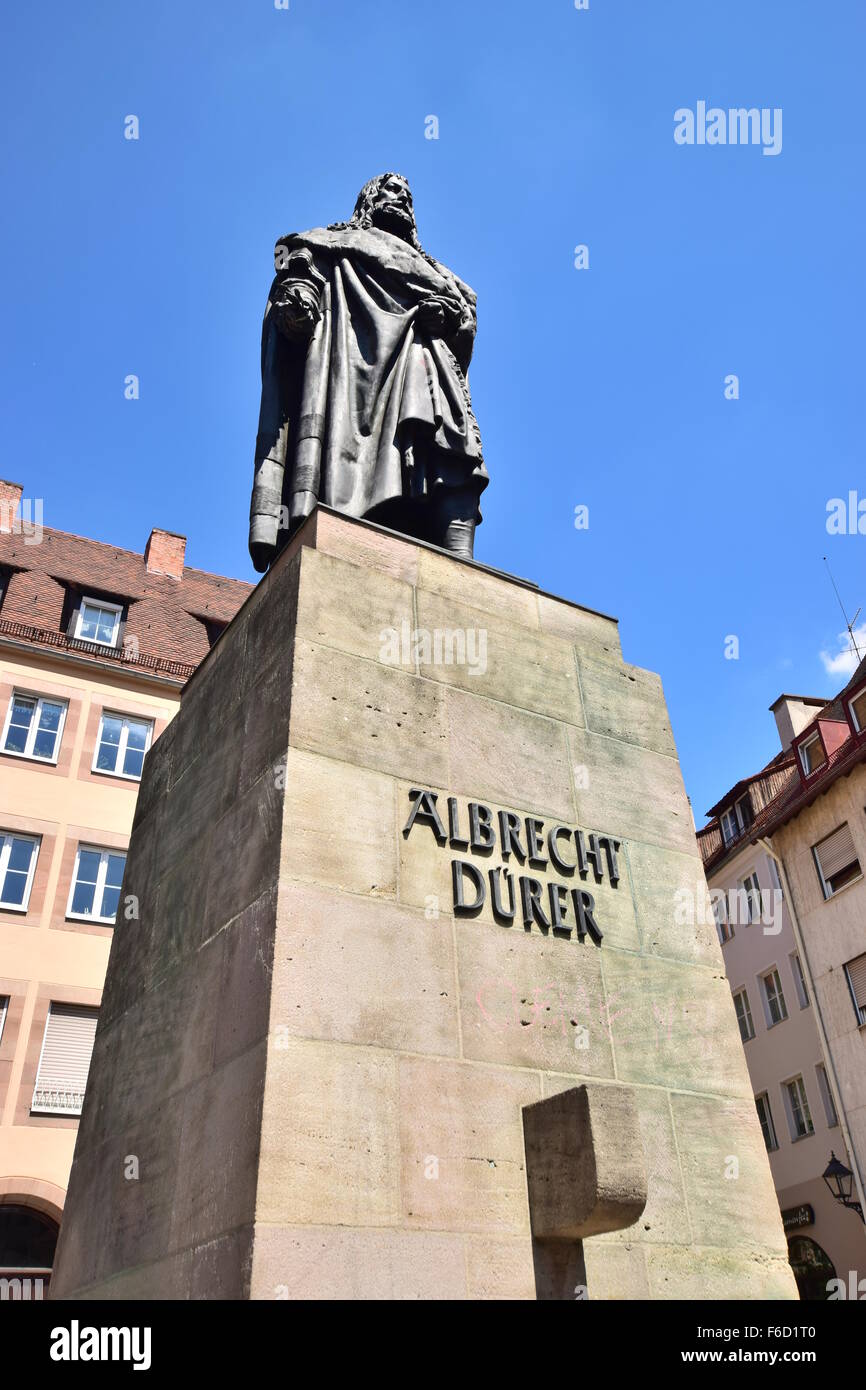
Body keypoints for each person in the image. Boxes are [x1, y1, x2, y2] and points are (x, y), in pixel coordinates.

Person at [248, 173, 488, 572]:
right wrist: (299, 303)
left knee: (453, 444)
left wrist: (448, 321)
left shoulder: (442, 275)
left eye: (408, 195)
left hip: (428, 372)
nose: (402, 199)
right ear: (368, 201)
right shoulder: (334, 244)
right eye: (392, 190)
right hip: (352, 383)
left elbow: (464, 328)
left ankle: (462, 570)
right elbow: (300, 301)